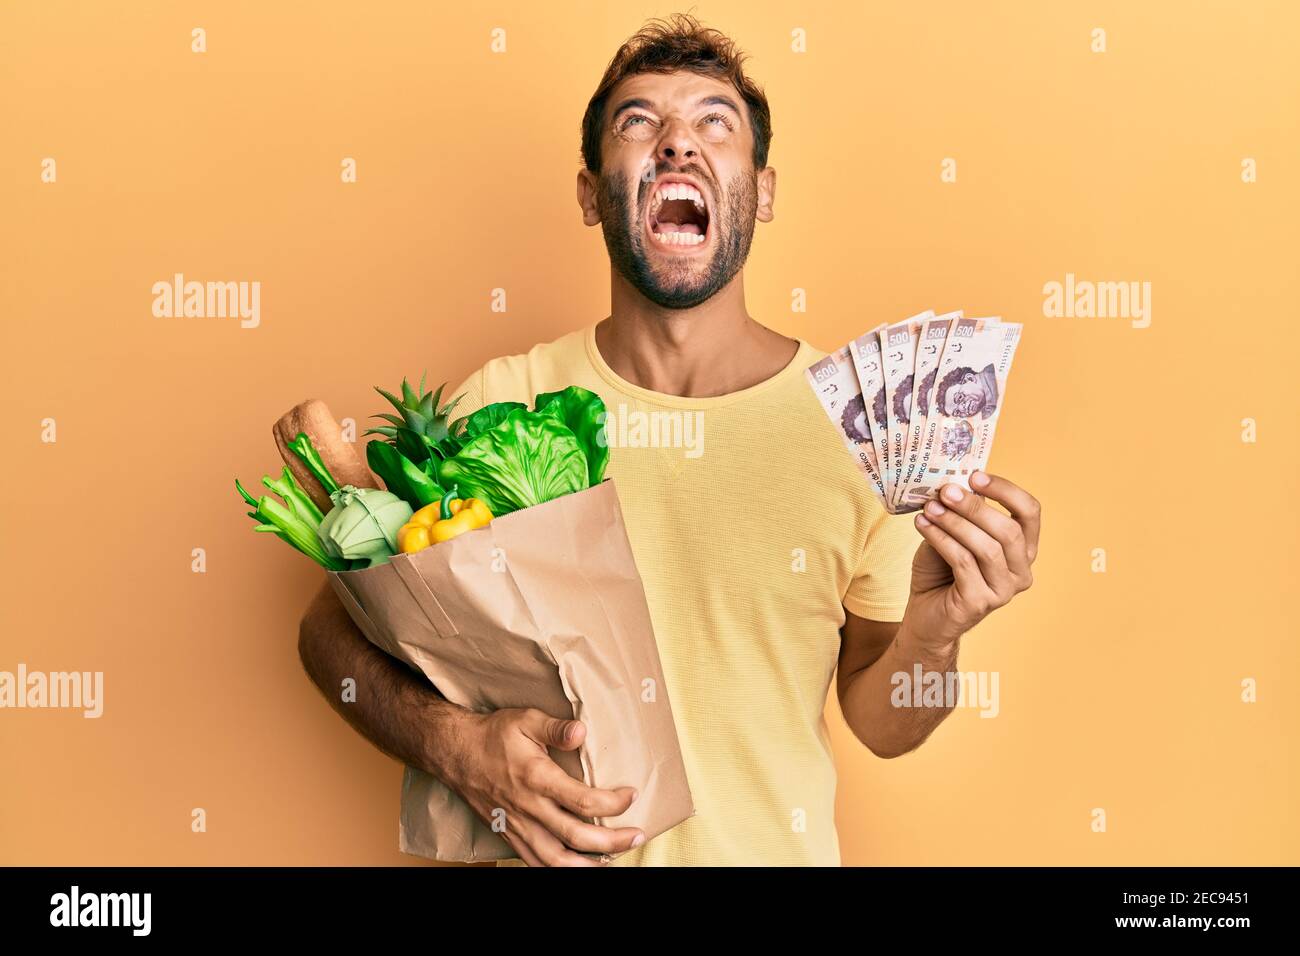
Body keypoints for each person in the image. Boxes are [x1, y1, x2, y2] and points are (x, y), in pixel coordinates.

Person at [297, 13, 1040, 867]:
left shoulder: (859, 427)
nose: (678, 143)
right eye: (639, 121)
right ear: (590, 193)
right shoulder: (500, 406)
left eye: (714, 122)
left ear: (761, 191)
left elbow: (884, 723)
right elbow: (330, 632)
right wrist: (455, 750)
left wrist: (939, 634)